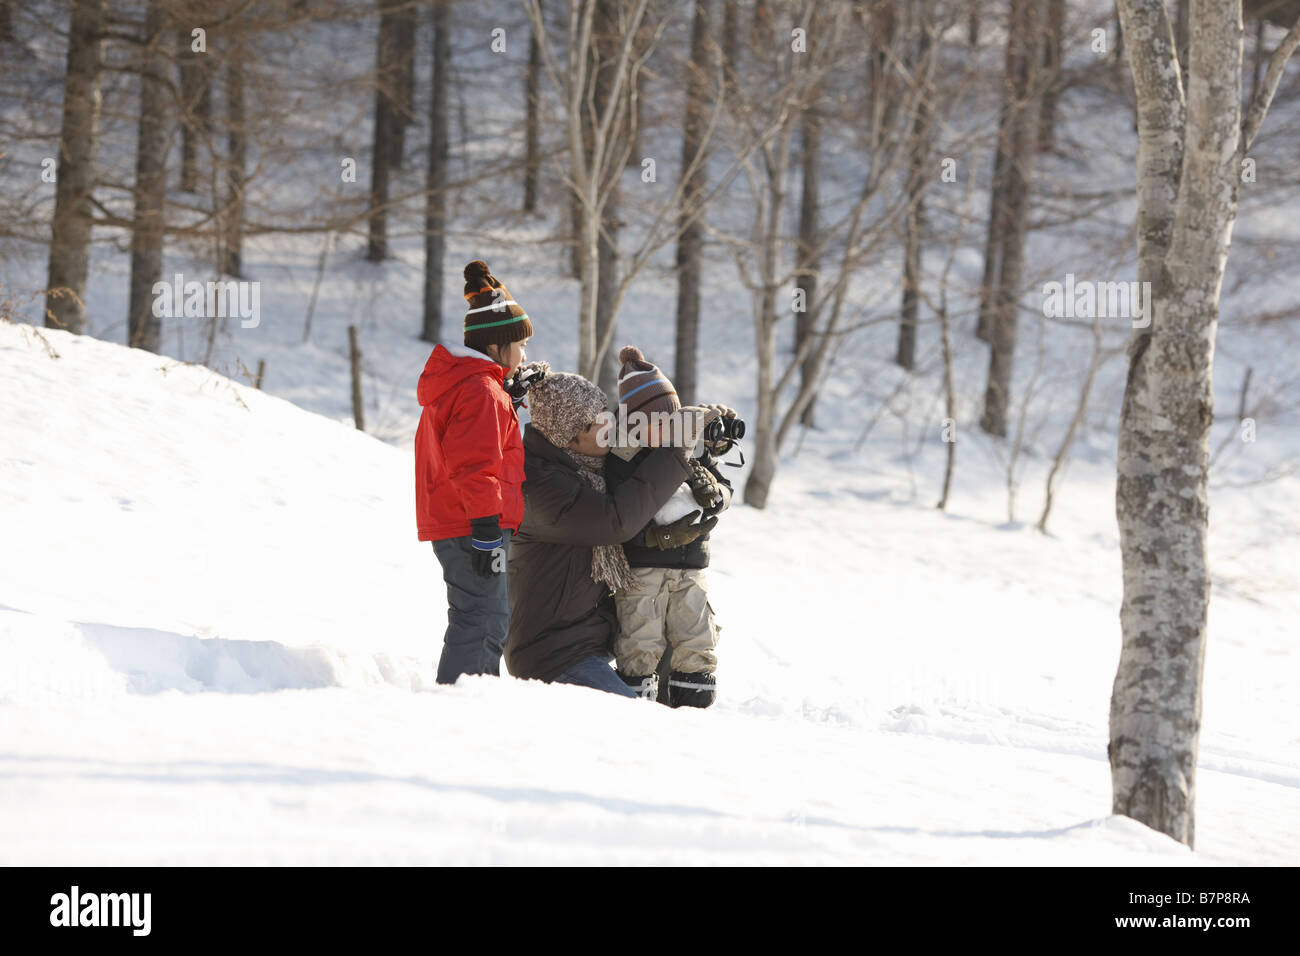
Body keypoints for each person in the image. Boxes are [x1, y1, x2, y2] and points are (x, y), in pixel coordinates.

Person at [504, 366, 720, 697]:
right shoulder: (540, 486)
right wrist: (677, 447)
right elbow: (615, 521)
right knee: (631, 723)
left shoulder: (589, 465)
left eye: (606, 411)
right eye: (596, 422)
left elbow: (640, 483)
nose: (609, 424)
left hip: (600, 638)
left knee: (675, 680)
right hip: (554, 653)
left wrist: (706, 448)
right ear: (570, 438)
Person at [415, 259, 533, 684]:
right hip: (474, 525)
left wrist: (507, 397)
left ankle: (466, 700)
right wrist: (485, 526)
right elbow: (474, 465)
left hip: (462, 520)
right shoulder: (481, 391)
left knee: (482, 615)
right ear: (496, 346)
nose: (524, 357)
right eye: (519, 346)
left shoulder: (475, 386)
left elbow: (480, 448)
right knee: (484, 618)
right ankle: (463, 706)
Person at [604, 346, 735, 707]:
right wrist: (661, 536)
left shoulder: (690, 446)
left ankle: (693, 709)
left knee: (696, 640)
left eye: (673, 417)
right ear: (634, 424)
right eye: (658, 421)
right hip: (643, 568)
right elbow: (627, 509)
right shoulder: (622, 458)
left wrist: (714, 495)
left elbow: (726, 488)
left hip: (691, 566)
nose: (669, 427)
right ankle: (635, 709)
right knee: (639, 642)